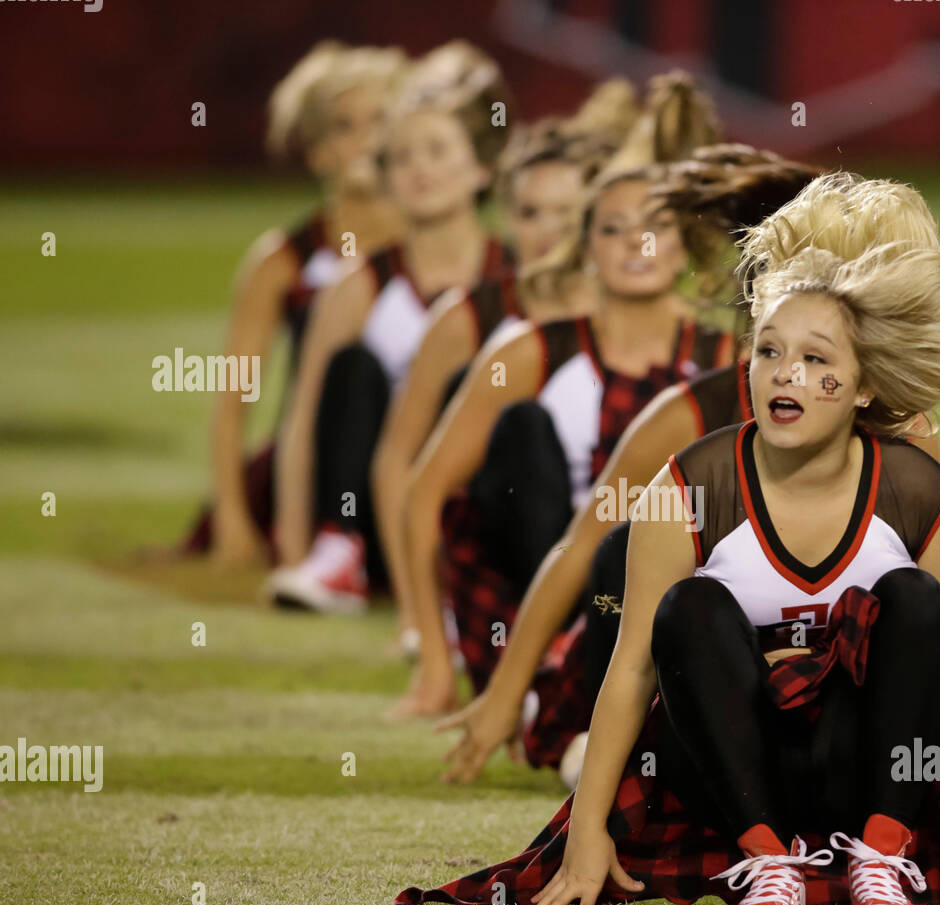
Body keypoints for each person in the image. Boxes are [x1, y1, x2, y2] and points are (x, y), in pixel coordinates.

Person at [397, 175, 940, 905]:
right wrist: (588, 835)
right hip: (730, 776)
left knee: (917, 600)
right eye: (771, 351)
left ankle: (881, 855)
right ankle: (767, 862)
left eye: (818, 361)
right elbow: (631, 672)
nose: (787, 373)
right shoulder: (687, 481)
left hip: (863, 769)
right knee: (688, 608)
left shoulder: (923, 493)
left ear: (864, 385)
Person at [393, 74, 728, 718]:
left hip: (664, 584)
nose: (638, 242)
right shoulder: (528, 350)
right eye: (613, 229)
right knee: (523, 431)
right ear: (586, 246)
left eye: (659, 225)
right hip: (541, 588)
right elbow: (425, 489)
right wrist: (435, 663)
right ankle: (538, 678)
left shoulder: (727, 358)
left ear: (685, 240)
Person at [370, 81, 638, 647]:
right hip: (507, 550)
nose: (548, 231)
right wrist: (414, 614)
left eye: (567, 213)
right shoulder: (472, 316)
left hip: (616, 550)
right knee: (523, 430)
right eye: (530, 212)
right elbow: (403, 464)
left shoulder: (642, 311)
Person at [266, 41, 513, 611]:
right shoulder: (358, 284)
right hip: (377, 517)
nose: (419, 168)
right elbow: (303, 423)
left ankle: (492, 575)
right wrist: (292, 552)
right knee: (354, 369)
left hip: (470, 513)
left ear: (479, 167)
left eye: (435, 151)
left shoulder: (513, 275)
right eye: (401, 157)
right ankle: (338, 553)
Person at [180, 42, 406, 567]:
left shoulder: (441, 242)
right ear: (317, 152)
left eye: (382, 120)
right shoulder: (282, 261)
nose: (368, 140)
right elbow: (235, 402)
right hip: (315, 472)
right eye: (346, 127)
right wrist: (234, 520)